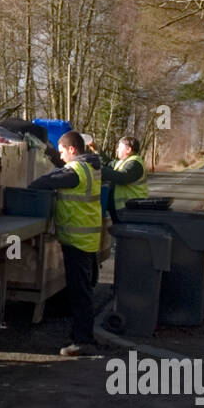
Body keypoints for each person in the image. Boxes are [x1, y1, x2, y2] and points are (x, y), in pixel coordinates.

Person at [29, 130, 103, 356]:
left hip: (77, 241)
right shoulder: (92, 166)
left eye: (62, 152)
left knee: (80, 294)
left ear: (73, 150)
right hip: (87, 239)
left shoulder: (76, 172)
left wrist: (28, 187)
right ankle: (80, 335)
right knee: (84, 291)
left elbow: (46, 182)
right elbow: (61, 169)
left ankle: (83, 341)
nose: (60, 157)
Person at [104, 134, 149, 216]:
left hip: (133, 210)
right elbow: (107, 164)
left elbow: (122, 177)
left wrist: (99, 170)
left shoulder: (135, 163)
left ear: (128, 150)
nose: (117, 150)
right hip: (125, 208)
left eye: (119, 147)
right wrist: (95, 149)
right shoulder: (122, 161)